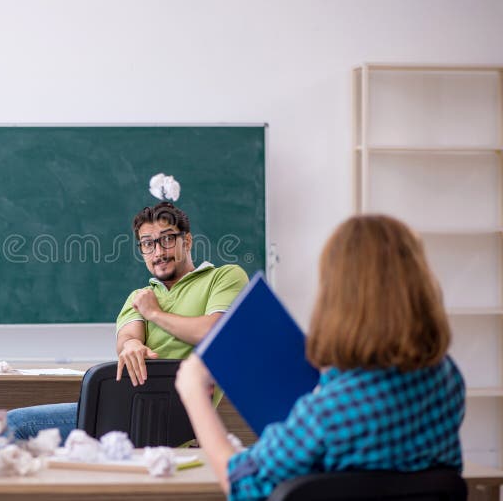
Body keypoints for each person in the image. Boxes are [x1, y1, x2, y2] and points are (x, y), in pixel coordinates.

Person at [175, 214, 465, 500]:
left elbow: (241, 486)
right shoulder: (447, 380)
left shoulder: (326, 416)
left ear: (338, 297)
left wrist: (193, 392)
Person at [6, 201, 248, 442]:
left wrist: (154, 313)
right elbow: (128, 338)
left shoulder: (223, 277)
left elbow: (215, 332)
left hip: (177, 417)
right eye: (147, 244)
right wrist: (131, 346)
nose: (158, 252)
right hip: (123, 405)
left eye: (167, 239)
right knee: (9, 427)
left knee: (12, 425)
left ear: (187, 241)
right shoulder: (139, 296)